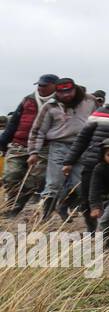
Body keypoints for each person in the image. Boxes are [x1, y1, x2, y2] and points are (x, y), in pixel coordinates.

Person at [28, 78, 95, 220]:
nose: (65, 95)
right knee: (54, 183)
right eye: (61, 92)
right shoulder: (50, 106)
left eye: (69, 91)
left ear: (75, 89)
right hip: (59, 145)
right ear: (56, 92)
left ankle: (84, 216)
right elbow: (38, 130)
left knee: (81, 184)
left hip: (84, 145)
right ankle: (44, 216)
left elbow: (99, 122)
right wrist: (34, 152)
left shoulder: (90, 101)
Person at [0, 74, 57, 214]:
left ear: (54, 86)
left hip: (44, 147)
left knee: (34, 179)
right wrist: (3, 142)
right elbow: (14, 122)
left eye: (44, 85)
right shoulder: (28, 100)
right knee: (10, 176)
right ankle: (11, 203)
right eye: (39, 85)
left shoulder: (60, 103)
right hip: (19, 144)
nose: (40, 87)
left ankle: (16, 207)